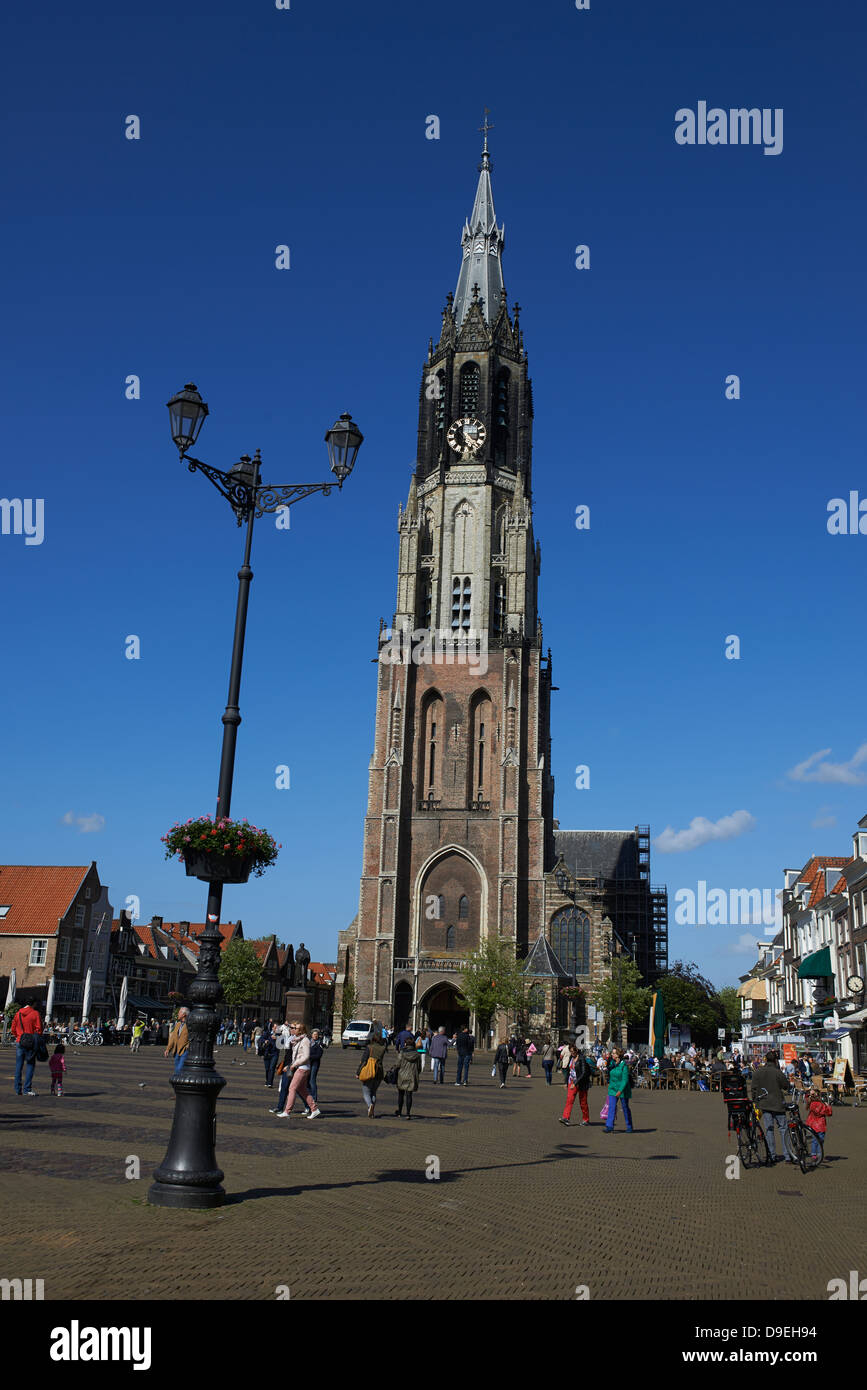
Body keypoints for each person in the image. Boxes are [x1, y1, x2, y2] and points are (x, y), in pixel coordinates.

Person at [750, 1051, 794, 1163]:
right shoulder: (777, 1072)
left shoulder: (758, 1072)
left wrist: (755, 1101)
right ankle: (787, 1155)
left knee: (769, 1129)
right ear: (775, 1061)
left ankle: (772, 1154)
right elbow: (786, 1086)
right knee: (783, 1129)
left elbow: (753, 1088)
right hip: (777, 1103)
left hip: (764, 1103)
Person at [276, 1023, 320, 1119]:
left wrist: (294, 1065)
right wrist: (289, 1066)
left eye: (295, 1028)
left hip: (303, 1068)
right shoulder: (297, 1040)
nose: (293, 1029)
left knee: (292, 1088)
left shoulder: (305, 1041)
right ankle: (314, 1109)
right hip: (299, 1067)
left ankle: (287, 1111)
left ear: (300, 1030)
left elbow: (306, 1056)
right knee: (302, 1089)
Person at [12, 999, 43, 1096]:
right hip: (31, 1042)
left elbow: (13, 1028)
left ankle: (17, 1089)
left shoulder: (18, 1013)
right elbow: (39, 1029)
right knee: (30, 1065)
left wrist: (18, 1036)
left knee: (18, 1066)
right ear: (34, 1003)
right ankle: (27, 1089)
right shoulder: (35, 1013)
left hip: (20, 1041)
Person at [357, 1025, 388, 1117]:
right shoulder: (383, 1049)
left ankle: (370, 1105)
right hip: (379, 1071)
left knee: (366, 1092)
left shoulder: (369, 1047)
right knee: (374, 1092)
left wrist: (358, 1072)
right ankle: (372, 1111)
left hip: (369, 1071)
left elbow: (364, 1061)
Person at [559, 1045, 592, 1126]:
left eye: (573, 1051)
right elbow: (569, 1070)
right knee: (569, 1099)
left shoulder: (581, 1059)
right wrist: (566, 1082)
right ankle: (566, 1117)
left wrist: (576, 1083)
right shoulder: (571, 1058)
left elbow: (584, 1073)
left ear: (576, 1050)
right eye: (570, 1051)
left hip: (581, 1083)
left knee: (583, 1102)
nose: (572, 1053)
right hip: (572, 1081)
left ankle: (586, 1119)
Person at [603, 1046, 634, 1133]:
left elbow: (625, 1080)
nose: (612, 1054)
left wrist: (620, 1091)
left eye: (613, 1053)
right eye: (612, 1053)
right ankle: (609, 1126)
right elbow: (609, 1073)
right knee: (611, 1107)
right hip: (613, 1089)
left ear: (618, 1055)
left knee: (625, 1108)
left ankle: (629, 1126)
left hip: (622, 1090)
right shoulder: (612, 1064)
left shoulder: (624, 1065)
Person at [395, 1036, 422, 1118]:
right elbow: (419, 1068)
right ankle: (408, 1113)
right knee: (409, 1095)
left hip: (402, 1075)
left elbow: (398, 1064)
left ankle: (399, 1112)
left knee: (401, 1094)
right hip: (412, 1076)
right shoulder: (417, 1054)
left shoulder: (402, 1053)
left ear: (405, 1044)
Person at [805, 1087, 833, 1166]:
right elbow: (828, 1113)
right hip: (820, 1125)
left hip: (812, 1125)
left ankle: (814, 1155)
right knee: (820, 1141)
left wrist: (809, 1092)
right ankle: (818, 1155)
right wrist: (828, 1106)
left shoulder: (811, 1103)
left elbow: (806, 1097)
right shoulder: (820, 1104)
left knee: (814, 1140)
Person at [165, 1008, 190, 1076]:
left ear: (184, 1014)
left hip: (185, 1050)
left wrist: (188, 1046)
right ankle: (179, 1082)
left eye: (179, 1013)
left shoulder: (189, 1025)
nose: (177, 1014)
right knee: (177, 1068)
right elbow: (173, 1037)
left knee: (180, 1068)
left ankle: (178, 1081)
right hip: (176, 1050)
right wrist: (168, 1049)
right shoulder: (178, 1024)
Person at [308, 1030, 324, 1104]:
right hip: (308, 1064)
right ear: (311, 1035)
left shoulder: (320, 1044)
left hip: (315, 1064)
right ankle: (309, 1097)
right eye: (314, 1034)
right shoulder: (308, 1042)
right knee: (307, 1081)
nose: (315, 1036)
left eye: (316, 1034)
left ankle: (314, 1098)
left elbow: (318, 1055)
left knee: (312, 1080)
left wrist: (309, 1057)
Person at [262, 1024, 279, 1088]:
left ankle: (270, 1083)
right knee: (267, 1069)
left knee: (272, 1068)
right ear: (272, 1028)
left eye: (277, 1028)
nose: (276, 1029)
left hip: (275, 1053)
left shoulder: (280, 1035)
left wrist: (277, 1038)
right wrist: (265, 1041)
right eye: (275, 1028)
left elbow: (283, 1042)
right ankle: (267, 1081)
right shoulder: (267, 1033)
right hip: (267, 1053)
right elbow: (261, 1039)